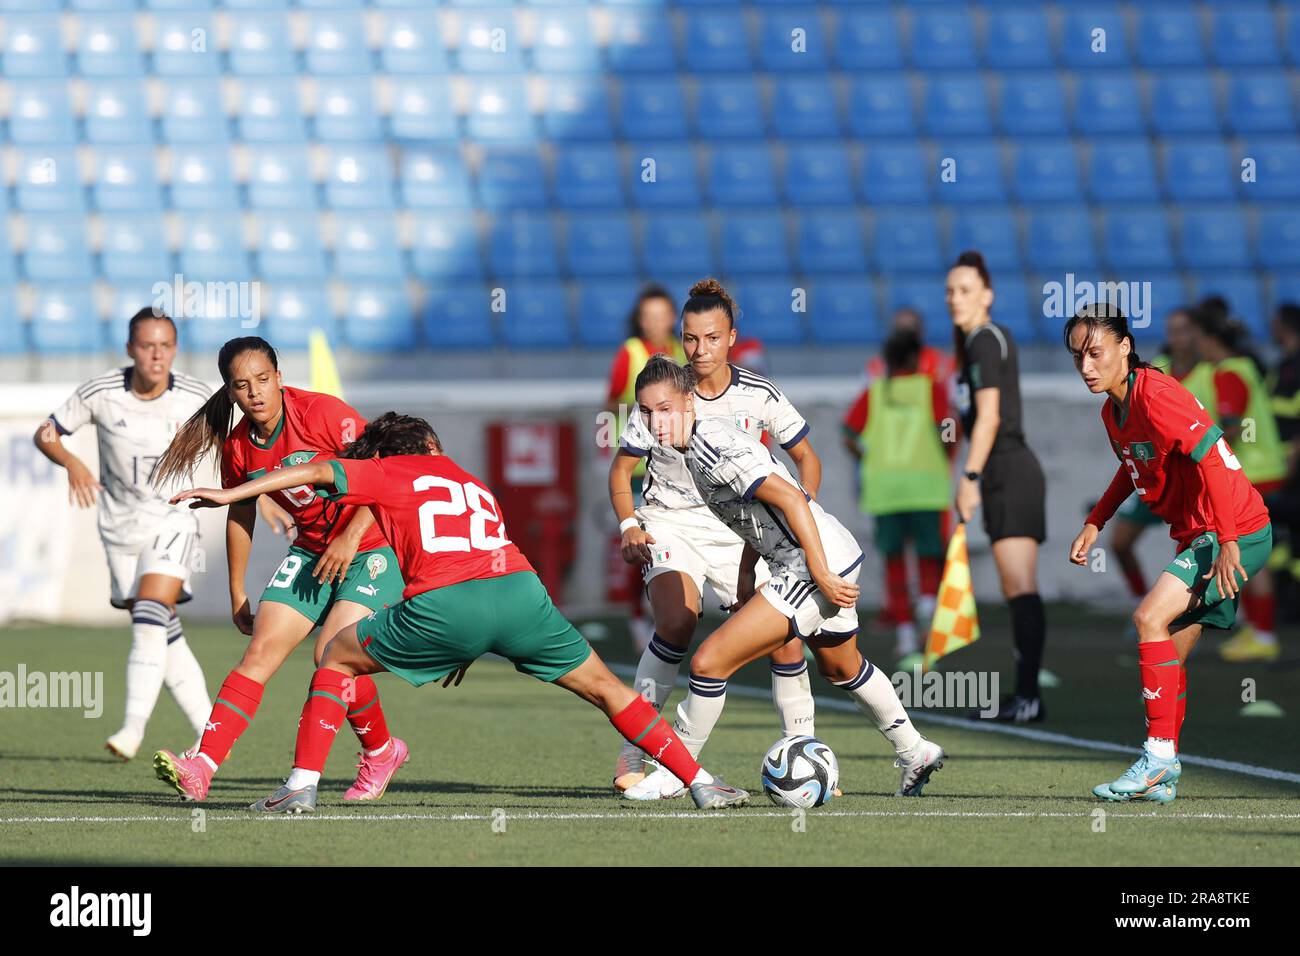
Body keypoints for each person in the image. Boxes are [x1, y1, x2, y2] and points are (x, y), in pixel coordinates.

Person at [172, 413, 750, 812]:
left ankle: (300, 786)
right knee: (607, 687)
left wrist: (234, 494)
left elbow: (320, 471)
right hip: (522, 594)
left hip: (449, 606)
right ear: (431, 446)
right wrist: (470, 638)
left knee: (333, 656)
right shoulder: (469, 477)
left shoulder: (390, 469)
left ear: (388, 452)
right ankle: (700, 781)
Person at [621, 356, 945, 801]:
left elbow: (792, 500)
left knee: (708, 662)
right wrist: (744, 580)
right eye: (646, 411)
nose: (656, 421)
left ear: (689, 402)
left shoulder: (711, 447)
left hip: (814, 562)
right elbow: (753, 519)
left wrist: (820, 575)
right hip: (822, 555)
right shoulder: (696, 447)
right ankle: (915, 750)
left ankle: (676, 773)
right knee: (840, 666)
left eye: (665, 409)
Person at [148, 337, 409, 803]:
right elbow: (241, 513)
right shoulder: (238, 448)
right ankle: (202, 766)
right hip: (312, 552)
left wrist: (350, 539)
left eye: (264, 380)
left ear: (280, 379)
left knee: (331, 652)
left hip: (372, 545)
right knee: (260, 653)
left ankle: (375, 753)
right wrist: (236, 591)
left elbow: (389, 469)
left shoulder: (323, 413)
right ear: (230, 392)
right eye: (242, 385)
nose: (256, 393)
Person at [610, 278, 822, 793]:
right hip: (669, 521)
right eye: (689, 338)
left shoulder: (759, 393)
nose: (699, 349)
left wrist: (797, 515)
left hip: (737, 532)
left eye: (710, 338)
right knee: (678, 622)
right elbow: (620, 473)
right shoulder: (665, 392)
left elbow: (807, 460)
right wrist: (629, 523)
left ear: (731, 337)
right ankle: (634, 751)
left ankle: (806, 752)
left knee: (785, 637)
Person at [1065, 304, 1272, 804]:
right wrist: (1097, 520)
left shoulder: (1155, 395)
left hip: (1234, 532)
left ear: (1125, 347)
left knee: (1147, 618)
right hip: (1208, 535)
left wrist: (1225, 543)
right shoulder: (1113, 409)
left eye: (1096, 353)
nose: (1087, 366)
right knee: (1166, 660)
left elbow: (1216, 460)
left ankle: (1158, 759)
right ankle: (1165, 768)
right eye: (1078, 357)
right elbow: (1128, 465)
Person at [33, 308, 213, 760]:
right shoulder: (102, 392)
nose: (157, 355)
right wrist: (72, 462)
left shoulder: (196, 396)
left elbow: (238, 447)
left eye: (166, 346)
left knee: (151, 611)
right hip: (119, 529)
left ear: (175, 349)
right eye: (147, 346)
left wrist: (262, 497)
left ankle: (132, 730)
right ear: (131, 349)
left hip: (174, 520)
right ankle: (211, 731)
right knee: (161, 627)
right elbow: (46, 433)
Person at [948, 251, 1049, 723]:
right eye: (950, 291)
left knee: (1020, 586)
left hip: (1010, 469)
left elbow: (988, 417)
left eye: (966, 290)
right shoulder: (975, 343)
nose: (955, 299)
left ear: (987, 295)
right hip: (1002, 470)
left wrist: (969, 478)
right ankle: (1026, 693)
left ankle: (1028, 696)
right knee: (1016, 588)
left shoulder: (985, 340)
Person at [1184, 302, 1286, 663]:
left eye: (1195, 333)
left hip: (1255, 475)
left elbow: (1232, 426)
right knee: (1249, 555)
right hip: (1261, 472)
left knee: (1249, 556)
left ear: (1209, 337)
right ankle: (1256, 629)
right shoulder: (1233, 368)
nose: (1189, 340)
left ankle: (1263, 634)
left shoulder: (1228, 373)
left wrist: (1199, 451)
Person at [843, 328, 949, 658]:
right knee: (930, 556)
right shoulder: (931, 389)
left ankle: (904, 636)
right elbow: (948, 430)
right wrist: (943, 454)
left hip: (885, 490)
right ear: (918, 357)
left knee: (894, 563)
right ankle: (929, 607)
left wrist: (868, 458)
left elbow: (848, 432)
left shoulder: (874, 393)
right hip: (926, 488)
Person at [1109, 307, 1209, 612]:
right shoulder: (1156, 373)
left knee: (1198, 550)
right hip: (1154, 473)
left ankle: (1199, 609)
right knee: (1119, 542)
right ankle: (1140, 599)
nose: (1177, 337)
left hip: (1191, 478)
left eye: (1183, 329)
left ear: (1197, 334)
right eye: (1172, 330)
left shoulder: (1212, 373)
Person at [604, 286, 687, 652]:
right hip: (639, 468)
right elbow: (611, 403)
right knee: (640, 544)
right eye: (648, 316)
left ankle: (673, 613)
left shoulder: (685, 350)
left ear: (672, 317)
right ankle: (639, 616)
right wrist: (611, 446)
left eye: (662, 315)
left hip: (682, 467)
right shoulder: (630, 353)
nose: (655, 322)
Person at [1267, 303, 1300, 612]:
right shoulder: (1283, 364)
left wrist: (1291, 463)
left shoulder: (1295, 366)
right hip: (1284, 464)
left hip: (1293, 468)